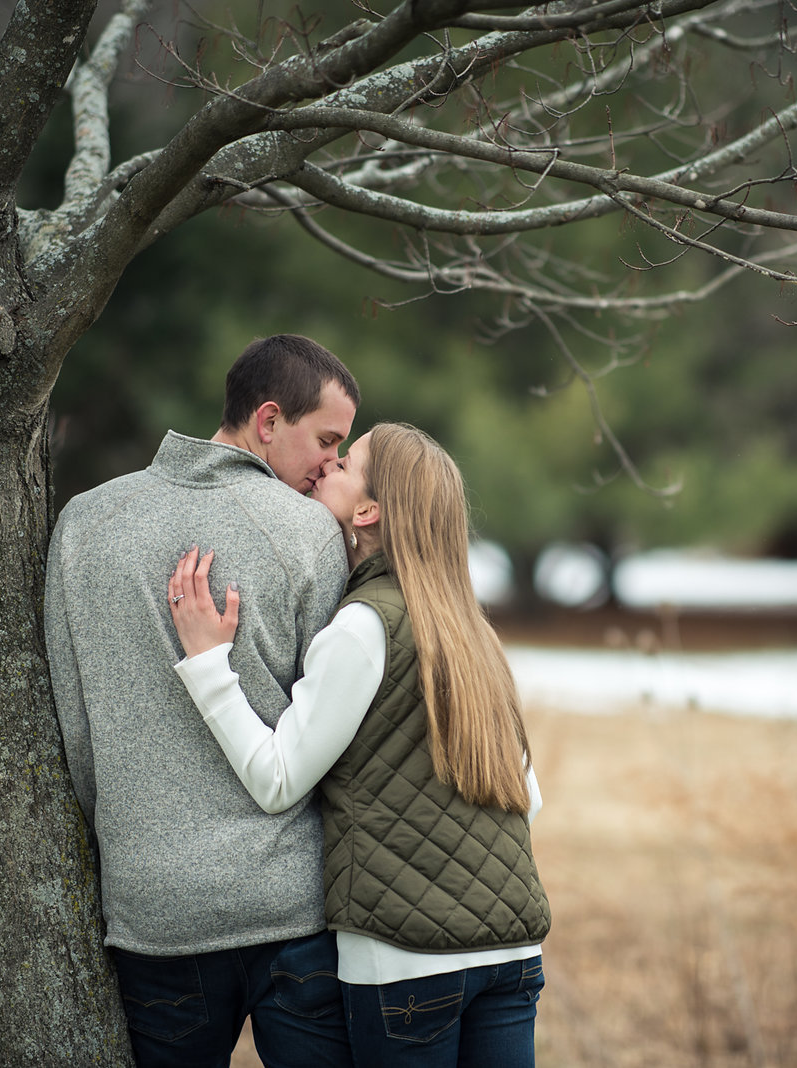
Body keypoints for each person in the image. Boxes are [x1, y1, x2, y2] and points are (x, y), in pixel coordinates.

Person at [167, 422, 552, 1068]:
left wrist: (209, 664)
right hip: (511, 958)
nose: (326, 467)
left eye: (345, 464)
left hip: (408, 962)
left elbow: (278, 779)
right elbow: (528, 798)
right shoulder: (471, 631)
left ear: (369, 510)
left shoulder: (363, 625)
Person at [44, 334, 360, 1067]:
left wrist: (131, 840)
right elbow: (327, 730)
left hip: (155, 907)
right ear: (270, 420)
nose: (330, 465)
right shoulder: (308, 534)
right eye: (326, 440)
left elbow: (76, 734)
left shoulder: (83, 525)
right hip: (292, 906)